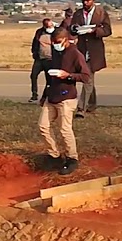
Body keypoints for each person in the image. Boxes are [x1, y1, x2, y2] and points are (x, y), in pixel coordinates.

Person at [39, 28, 92, 176]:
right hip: (52, 95)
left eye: (57, 42)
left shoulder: (75, 54)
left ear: (65, 39)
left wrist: (68, 76)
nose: (55, 45)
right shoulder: (56, 52)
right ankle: (54, 155)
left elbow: (86, 77)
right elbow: (50, 77)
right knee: (43, 126)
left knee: (64, 130)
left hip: (66, 97)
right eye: (52, 43)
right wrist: (45, 95)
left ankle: (72, 158)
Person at [63, 0, 113, 118]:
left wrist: (95, 31)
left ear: (93, 0)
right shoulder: (78, 14)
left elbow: (108, 30)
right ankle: (92, 104)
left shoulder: (101, 13)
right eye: (84, 0)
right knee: (89, 80)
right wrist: (74, 29)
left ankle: (81, 109)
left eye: (88, 0)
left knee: (88, 78)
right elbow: (72, 30)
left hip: (94, 51)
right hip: (81, 50)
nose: (85, 2)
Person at [28, 17, 55, 102]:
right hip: (39, 59)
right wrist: (34, 52)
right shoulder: (39, 32)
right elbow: (34, 42)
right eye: (48, 26)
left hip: (50, 60)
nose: (49, 28)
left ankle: (45, 96)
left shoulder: (56, 32)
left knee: (49, 79)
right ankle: (34, 94)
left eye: (51, 26)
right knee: (33, 75)